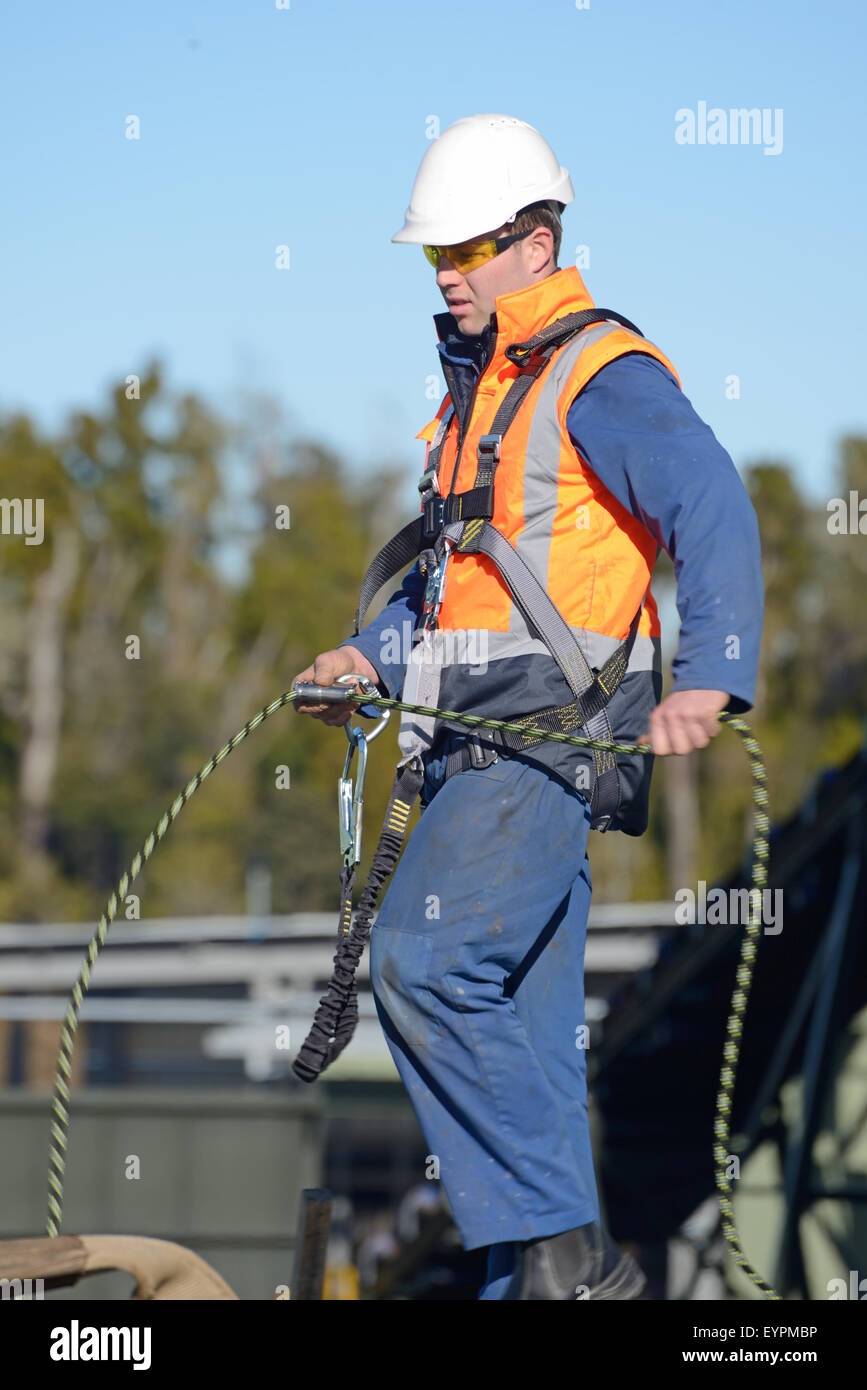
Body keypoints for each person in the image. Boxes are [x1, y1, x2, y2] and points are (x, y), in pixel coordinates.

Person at [292, 114, 763, 1300]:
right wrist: (369, 659)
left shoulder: (598, 374)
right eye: (431, 256)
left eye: (467, 250)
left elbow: (710, 501)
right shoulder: (478, 401)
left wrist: (714, 667)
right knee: (531, 1040)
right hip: (469, 742)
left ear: (538, 241)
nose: (445, 273)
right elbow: (466, 587)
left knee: (424, 963)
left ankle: (569, 1261)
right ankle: (544, 1276)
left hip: (542, 745)